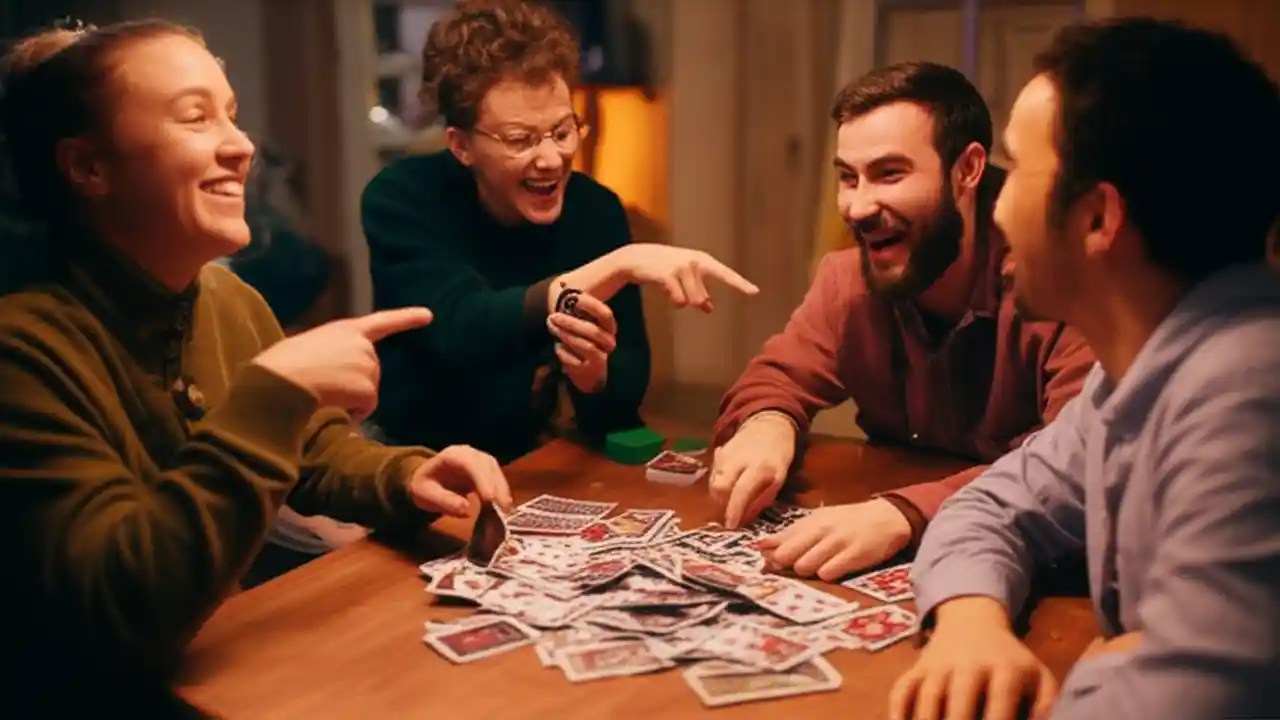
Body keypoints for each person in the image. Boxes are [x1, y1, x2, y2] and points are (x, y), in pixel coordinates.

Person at [0, 21, 512, 712]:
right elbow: (125, 606)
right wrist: (274, 393)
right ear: (88, 167)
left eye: (232, 115)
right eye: (195, 117)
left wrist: (404, 475)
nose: (241, 146)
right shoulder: (22, 351)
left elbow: (311, 449)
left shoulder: (226, 297)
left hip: (227, 661)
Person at [891, 18, 1280, 720]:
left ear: (1099, 218)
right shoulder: (1134, 372)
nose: (995, 207)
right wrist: (970, 623)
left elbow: (1189, 702)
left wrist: (1110, 669)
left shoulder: (1248, 396)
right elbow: (989, 506)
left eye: (1015, 169)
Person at [710, 62, 1094, 579]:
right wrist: (768, 424)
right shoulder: (846, 280)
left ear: (967, 170)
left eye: (890, 174)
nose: (859, 207)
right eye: (848, 178)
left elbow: (1080, 466)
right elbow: (775, 380)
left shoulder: (1058, 284)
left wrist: (906, 514)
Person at [362, 0, 757, 464]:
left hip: (534, 459)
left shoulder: (595, 210)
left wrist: (595, 379)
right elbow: (462, 327)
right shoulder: (401, 198)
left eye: (563, 131)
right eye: (520, 140)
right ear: (462, 145)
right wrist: (616, 268)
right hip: (417, 458)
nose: (551, 159)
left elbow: (625, 390)